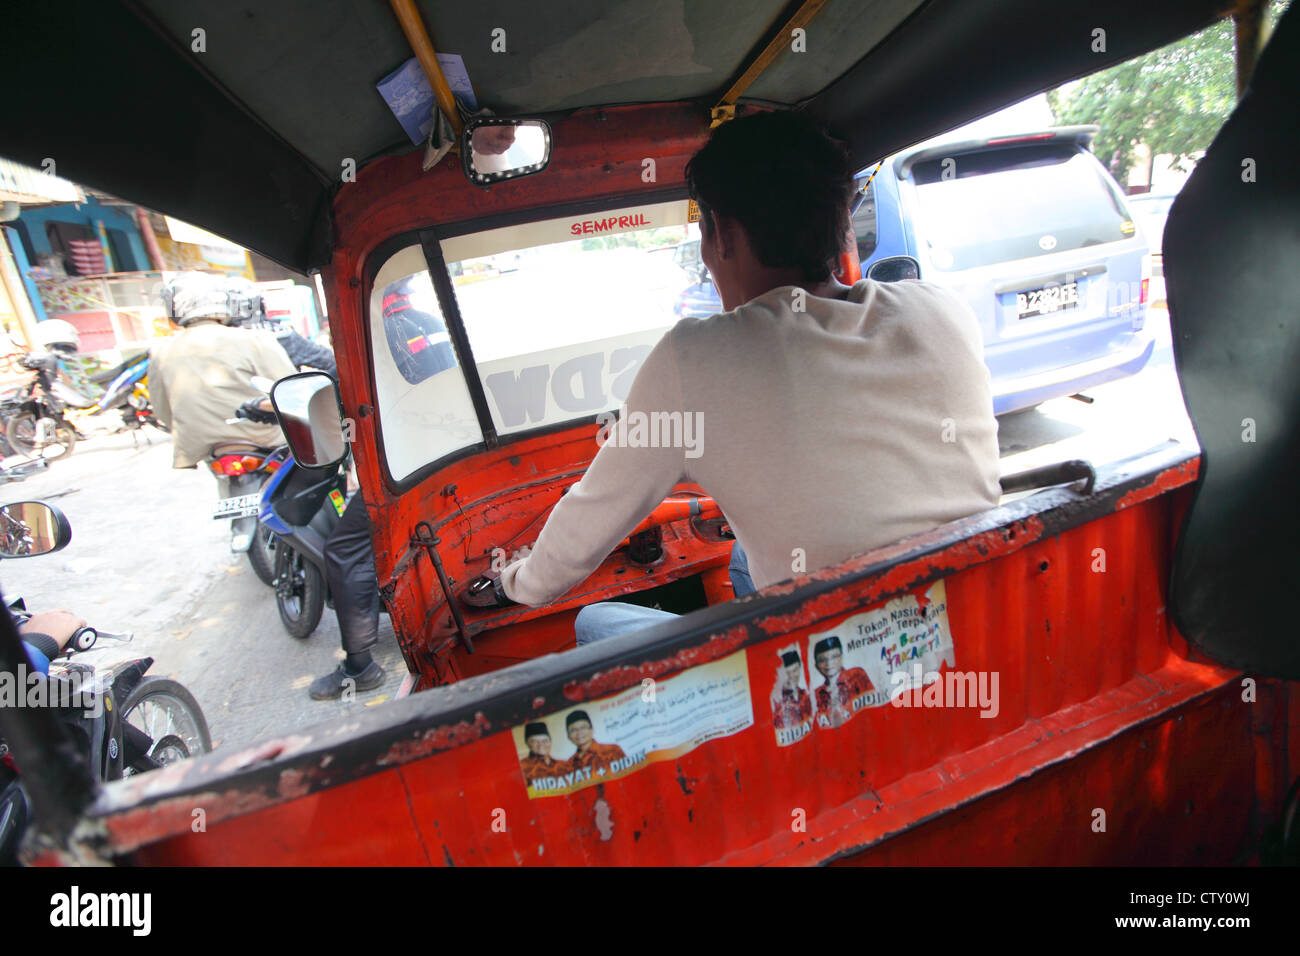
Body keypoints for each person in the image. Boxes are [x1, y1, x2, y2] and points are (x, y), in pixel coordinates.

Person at [494, 110, 1002, 641]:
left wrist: (513, 583)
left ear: (725, 234)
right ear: (840, 224)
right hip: (981, 613)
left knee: (596, 622)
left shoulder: (695, 359)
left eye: (704, 235)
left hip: (839, 667)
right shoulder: (939, 308)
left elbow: (578, 537)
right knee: (741, 559)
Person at [308, 275, 458, 699]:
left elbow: (350, 407)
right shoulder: (428, 320)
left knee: (344, 548)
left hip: (407, 465)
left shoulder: (368, 340)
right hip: (451, 454)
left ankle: (359, 666)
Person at [149, 271, 297, 468]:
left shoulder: (161, 350)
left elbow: (161, 409)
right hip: (267, 441)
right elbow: (294, 392)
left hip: (204, 447)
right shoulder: (254, 339)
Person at [811, 636, 874, 727]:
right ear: (816, 666)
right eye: (822, 660)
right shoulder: (816, 695)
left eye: (834, 657)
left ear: (841, 657)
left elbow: (872, 708)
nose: (829, 663)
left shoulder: (856, 675)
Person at [772, 650, 813, 731]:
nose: (791, 676)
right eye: (787, 673)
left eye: (795, 670)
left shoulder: (807, 696)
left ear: (800, 668)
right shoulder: (776, 703)